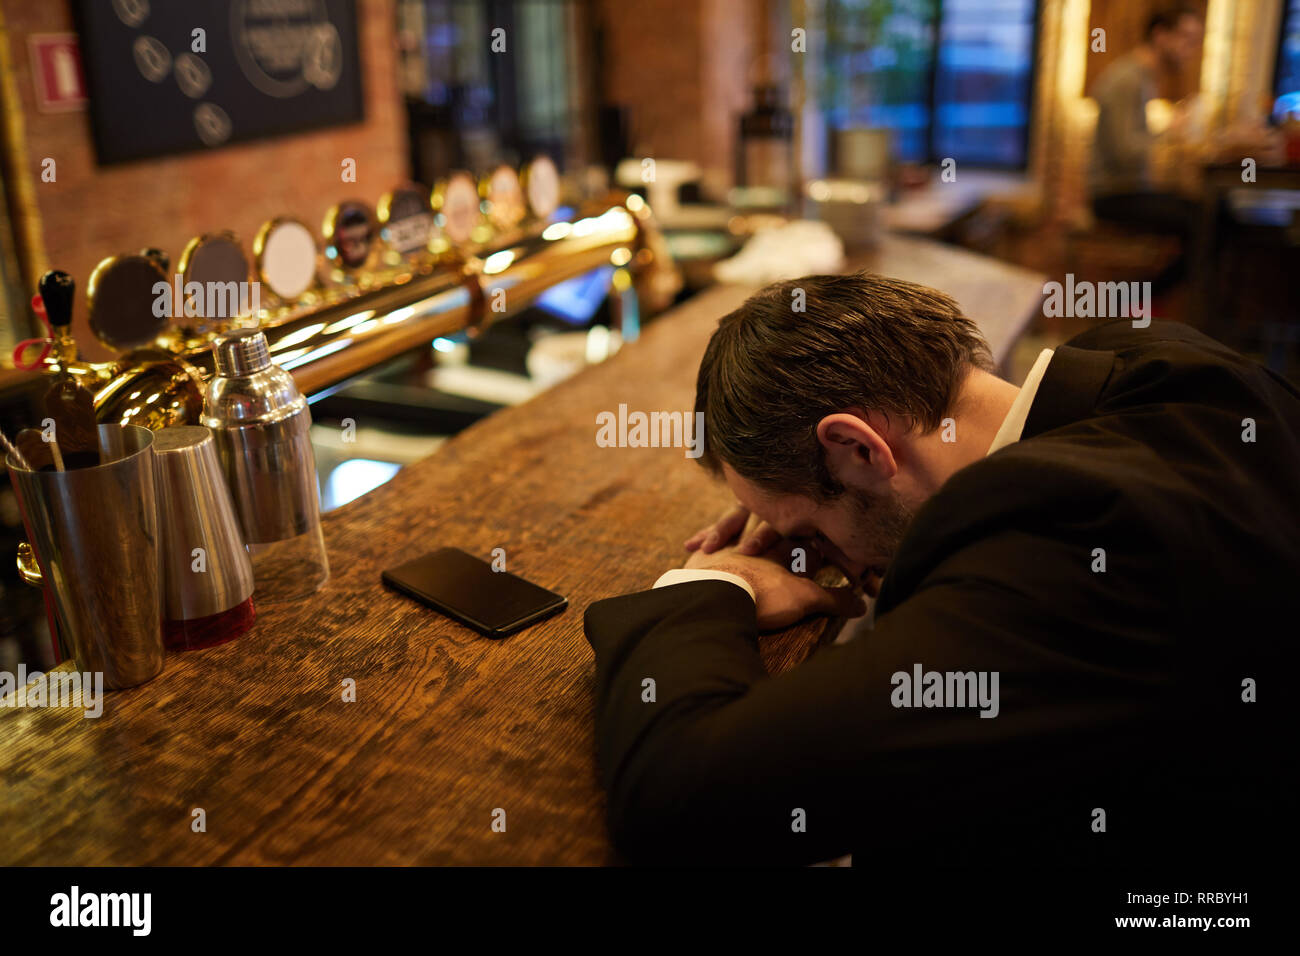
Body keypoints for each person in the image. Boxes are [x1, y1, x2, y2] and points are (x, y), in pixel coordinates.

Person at [583, 272, 1295, 866]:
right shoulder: (1157, 365)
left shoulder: (1063, 547)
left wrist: (715, 584)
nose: (817, 558)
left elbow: (677, 796)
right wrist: (827, 518)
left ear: (859, 451)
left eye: (807, 531)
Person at [1089, 6, 1204, 296]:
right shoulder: (1128, 79)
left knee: (1204, 213)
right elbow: (1124, 153)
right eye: (1186, 39)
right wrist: (1169, 129)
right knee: (1202, 221)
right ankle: (1125, 299)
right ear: (1160, 35)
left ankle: (1133, 298)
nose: (1191, 50)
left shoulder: (1141, 77)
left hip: (1127, 190)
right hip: (1111, 195)